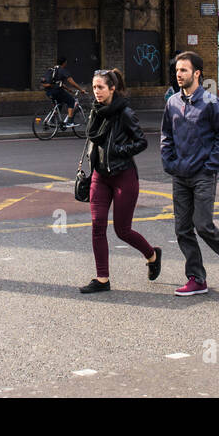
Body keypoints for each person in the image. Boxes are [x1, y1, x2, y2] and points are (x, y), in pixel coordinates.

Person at [161, 51, 219, 297]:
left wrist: (211, 165)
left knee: (202, 224)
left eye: (184, 70)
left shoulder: (211, 103)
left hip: (203, 174)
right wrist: (169, 162)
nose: (179, 75)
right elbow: (166, 136)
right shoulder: (172, 102)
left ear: (197, 73)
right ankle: (196, 278)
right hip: (179, 175)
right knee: (182, 229)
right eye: (177, 71)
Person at [79, 68, 161, 294]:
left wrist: (118, 150)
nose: (96, 92)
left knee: (122, 230)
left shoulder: (125, 112)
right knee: (97, 227)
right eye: (94, 87)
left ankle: (152, 255)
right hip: (99, 176)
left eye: (101, 87)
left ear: (112, 88)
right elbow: (93, 139)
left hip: (123, 175)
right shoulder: (95, 112)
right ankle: (102, 279)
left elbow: (142, 142)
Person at [42, 56, 86, 127]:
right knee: (71, 101)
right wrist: (81, 89)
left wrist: (68, 89)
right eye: (66, 62)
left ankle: (52, 120)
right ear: (64, 63)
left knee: (59, 103)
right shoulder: (62, 70)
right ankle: (70, 122)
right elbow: (72, 82)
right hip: (56, 91)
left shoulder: (52, 69)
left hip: (48, 91)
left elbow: (58, 83)